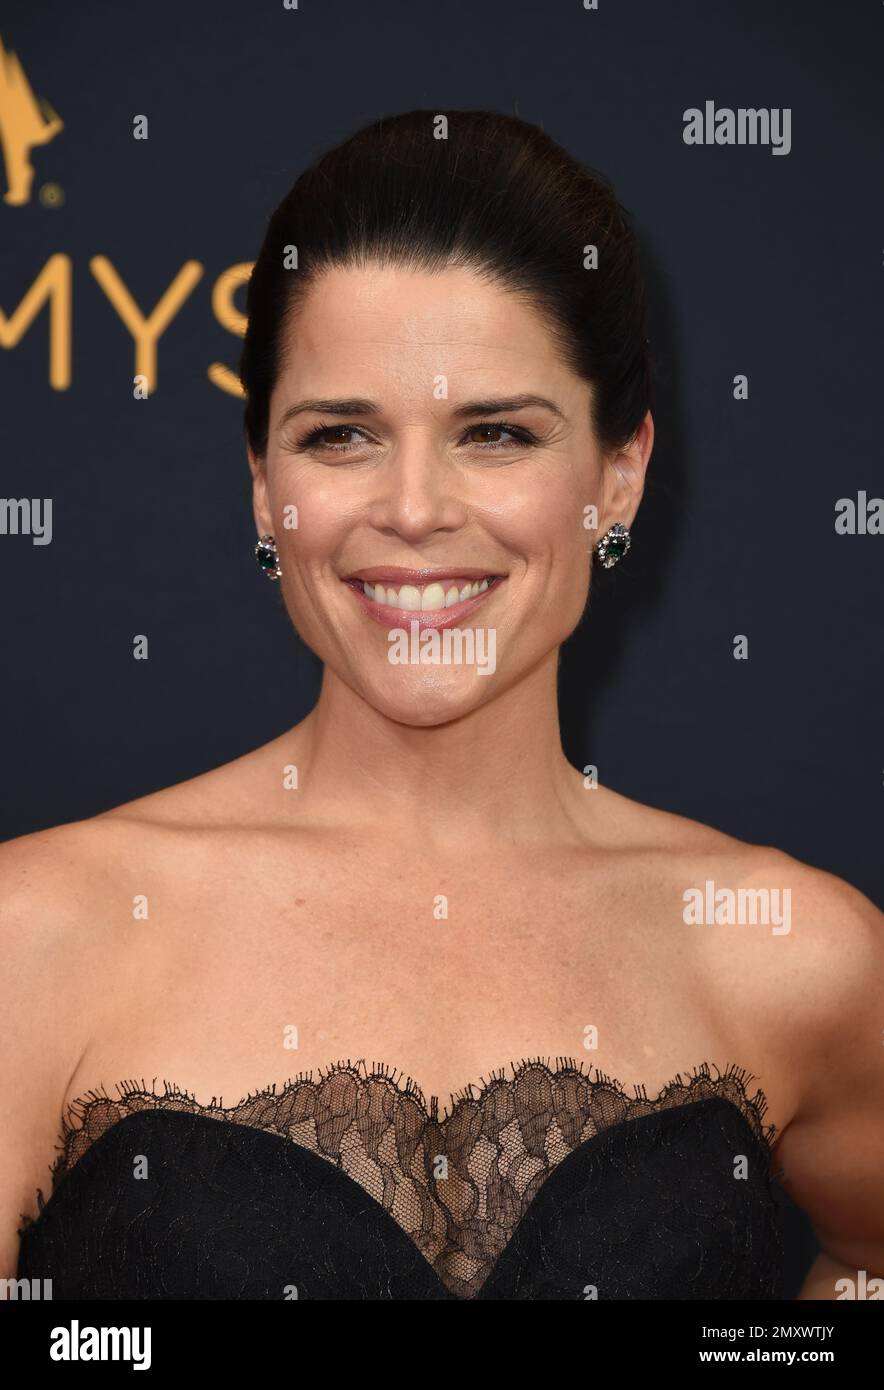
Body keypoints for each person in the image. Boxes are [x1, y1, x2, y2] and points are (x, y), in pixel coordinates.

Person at [3, 110, 882, 1300]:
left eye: (496, 432)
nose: (413, 509)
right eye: (343, 434)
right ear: (265, 486)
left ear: (617, 474)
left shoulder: (788, 951)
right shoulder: (41, 936)